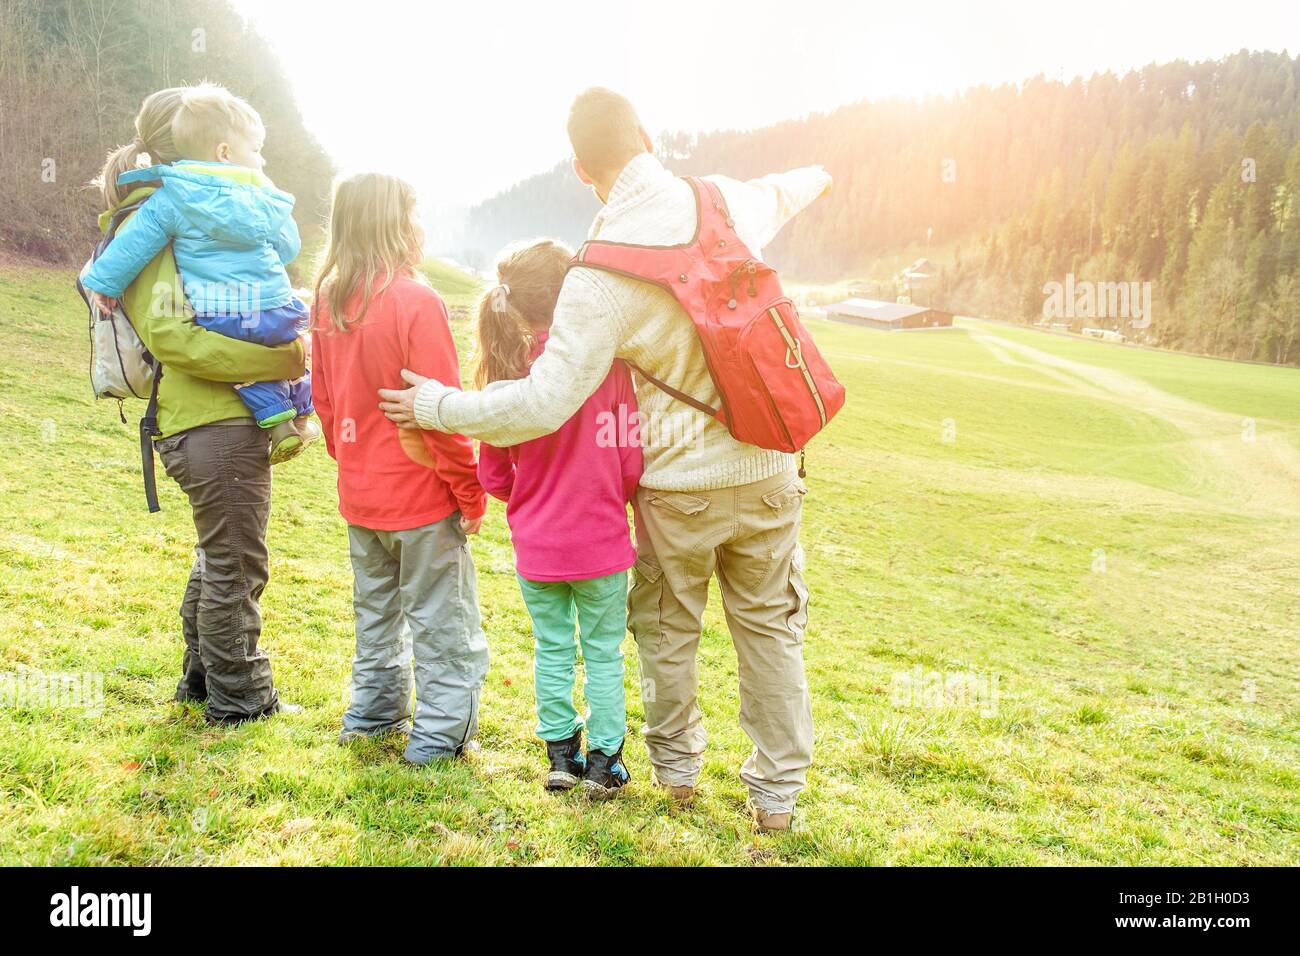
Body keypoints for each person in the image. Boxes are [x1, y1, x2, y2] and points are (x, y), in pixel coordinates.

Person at [380, 88, 831, 830]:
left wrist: (438, 406)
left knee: (667, 635)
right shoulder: (725, 201)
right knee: (772, 635)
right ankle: (776, 801)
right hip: (771, 470)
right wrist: (821, 174)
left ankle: (679, 777)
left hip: (678, 488)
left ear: (581, 170)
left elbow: (537, 405)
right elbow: (792, 187)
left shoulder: (598, 272)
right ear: (648, 136)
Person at [88, 87, 307, 723]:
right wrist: (282, 360)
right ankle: (242, 700)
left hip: (212, 420)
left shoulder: (187, 209)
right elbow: (174, 336)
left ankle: (202, 682)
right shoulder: (157, 217)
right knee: (238, 563)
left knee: (220, 555)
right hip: (208, 420)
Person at [311, 172, 489, 765]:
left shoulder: (329, 296)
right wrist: (470, 492)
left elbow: (326, 401)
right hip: (421, 499)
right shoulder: (418, 301)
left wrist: (357, 463)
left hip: (362, 496)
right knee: (443, 624)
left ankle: (370, 716)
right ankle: (438, 738)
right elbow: (441, 412)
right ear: (401, 222)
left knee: (377, 616)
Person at [474, 239, 642, 797]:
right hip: (601, 545)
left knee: (551, 649)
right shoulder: (608, 370)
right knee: (602, 653)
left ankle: (559, 757)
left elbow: (493, 474)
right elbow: (629, 459)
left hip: (538, 549)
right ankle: (605, 763)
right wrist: (600, 497)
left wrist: (532, 502)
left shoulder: (507, 374)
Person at [82, 83, 319, 465]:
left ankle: (287, 416)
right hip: (214, 428)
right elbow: (176, 339)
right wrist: (287, 360)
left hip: (217, 411)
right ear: (223, 150)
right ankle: (298, 409)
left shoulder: (168, 205)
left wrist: (103, 284)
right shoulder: (257, 197)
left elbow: (127, 258)